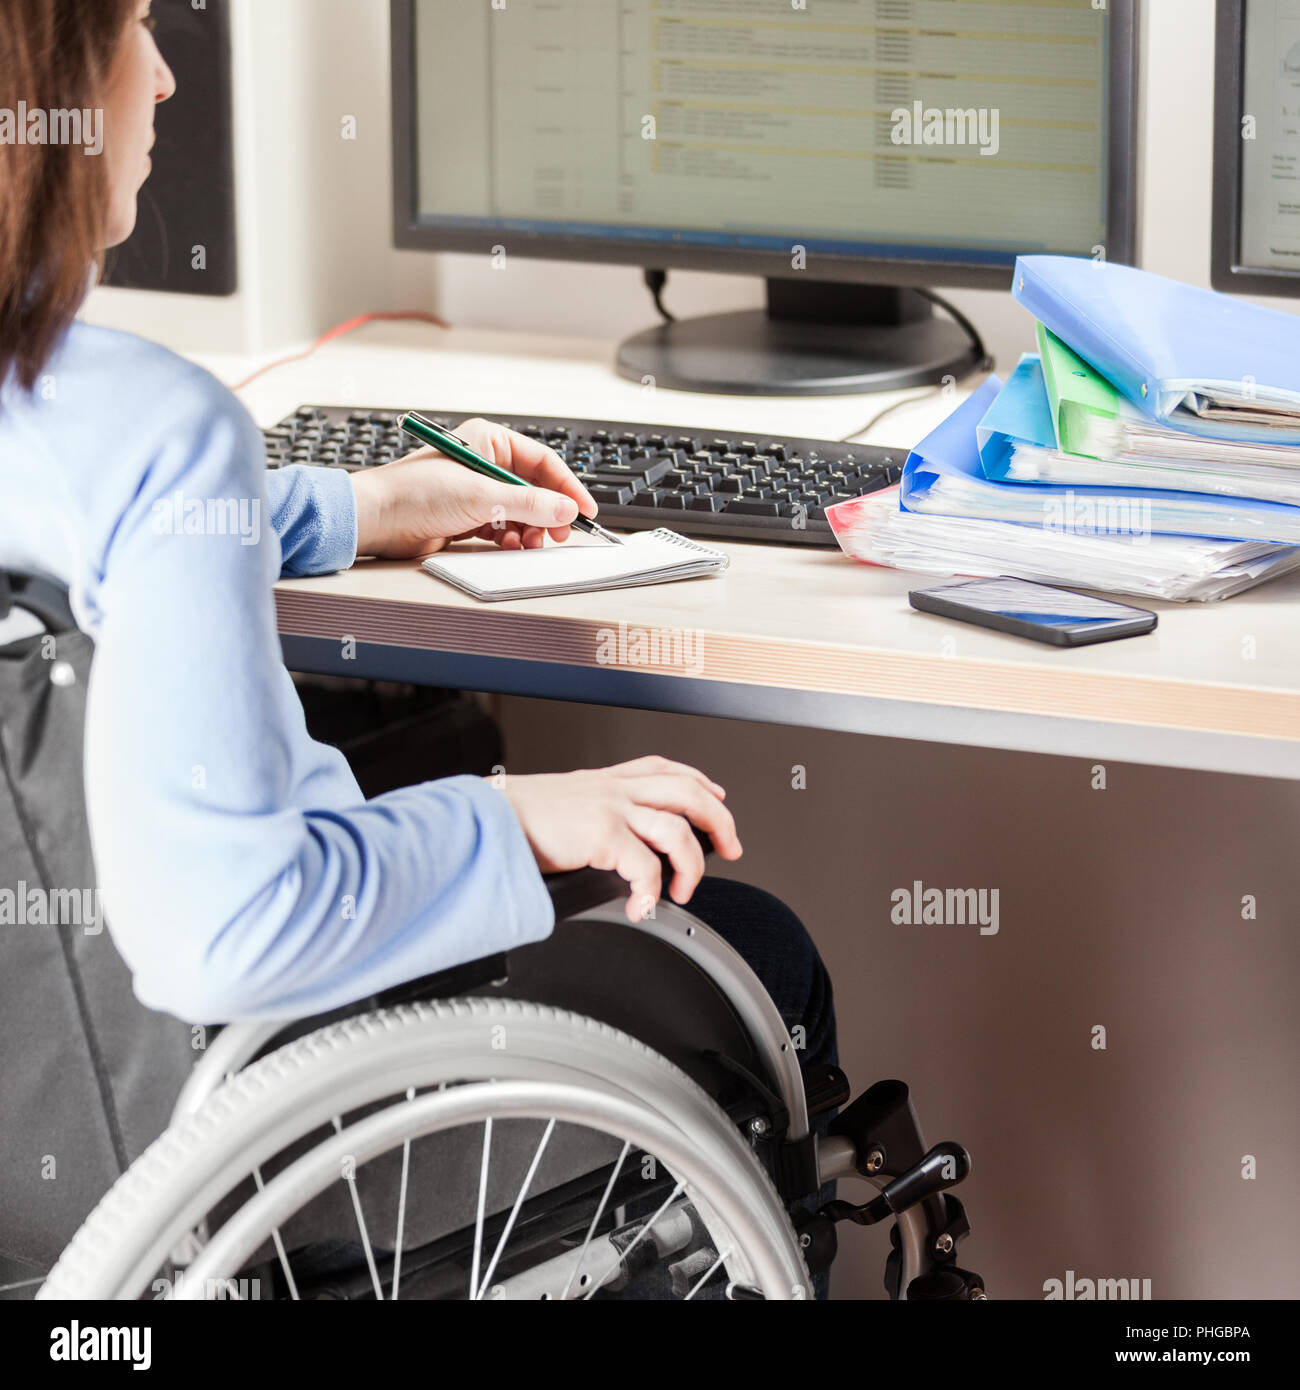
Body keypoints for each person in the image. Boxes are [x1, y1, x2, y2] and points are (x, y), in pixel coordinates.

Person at [0, 0, 835, 1293]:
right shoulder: (161, 426)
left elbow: (79, 503)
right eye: (134, 32)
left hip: (31, 1181)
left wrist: (363, 505)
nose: (162, 79)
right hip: (234, 1156)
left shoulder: (92, 431)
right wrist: (522, 815)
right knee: (753, 946)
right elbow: (224, 934)